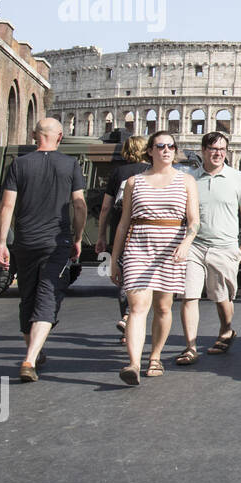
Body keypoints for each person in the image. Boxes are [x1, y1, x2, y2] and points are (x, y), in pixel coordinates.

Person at [0, 117, 87, 383]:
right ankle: (30, 358)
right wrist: (78, 237)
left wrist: (2, 243)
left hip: (24, 242)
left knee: (28, 297)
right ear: (59, 137)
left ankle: (33, 351)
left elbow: (6, 207)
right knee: (48, 298)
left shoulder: (19, 164)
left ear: (35, 135)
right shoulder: (70, 164)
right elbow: (79, 205)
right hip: (56, 243)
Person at [110, 131, 200, 385]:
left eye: (171, 146)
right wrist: (115, 257)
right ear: (150, 151)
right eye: (160, 146)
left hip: (171, 249)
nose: (166, 150)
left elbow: (194, 222)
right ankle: (134, 363)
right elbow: (123, 222)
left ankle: (155, 357)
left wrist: (186, 243)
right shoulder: (133, 182)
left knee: (163, 307)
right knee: (137, 308)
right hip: (138, 247)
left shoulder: (186, 181)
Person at [175, 131, 241, 364]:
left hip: (225, 246)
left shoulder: (237, 177)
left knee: (221, 297)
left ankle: (226, 329)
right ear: (203, 151)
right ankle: (190, 347)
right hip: (195, 246)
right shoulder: (191, 178)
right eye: (213, 149)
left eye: (222, 149)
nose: (218, 153)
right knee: (189, 296)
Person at [94, 133, 150, 337]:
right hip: (149, 232)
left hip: (122, 231)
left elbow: (105, 207)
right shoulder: (153, 171)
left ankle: (128, 318)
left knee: (125, 277)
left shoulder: (118, 173)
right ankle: (133, 319)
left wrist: (101, 235)